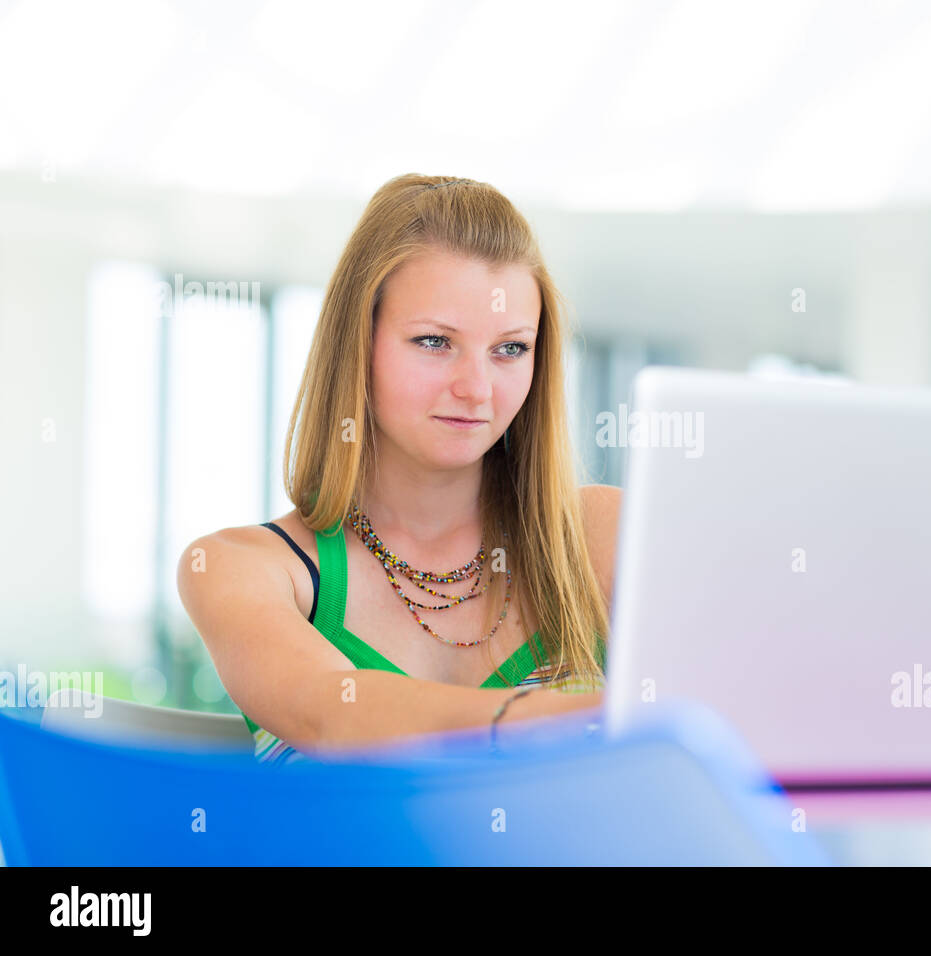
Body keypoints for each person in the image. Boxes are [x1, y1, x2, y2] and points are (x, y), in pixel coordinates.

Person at [176, 175, 620, 765]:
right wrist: (581, 719)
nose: (477, 388)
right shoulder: (242, 568)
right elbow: (335, 715)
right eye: (435, 342)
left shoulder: (602, 535)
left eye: (510, 348)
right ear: (357, 344)